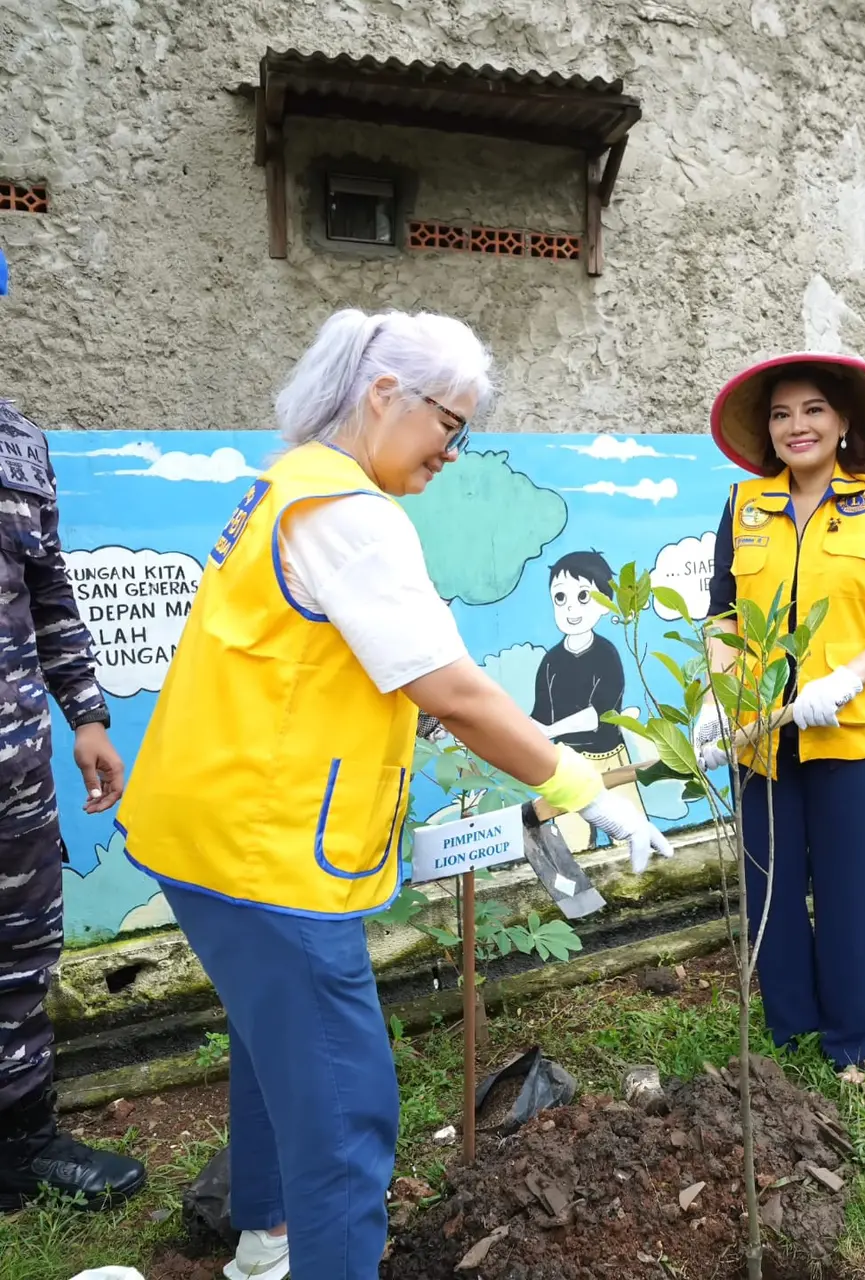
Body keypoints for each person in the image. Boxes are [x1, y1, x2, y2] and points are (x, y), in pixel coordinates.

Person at [114, 309, 673, 1280]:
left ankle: (266, 1242)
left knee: (269, 1042)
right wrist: (582, 780)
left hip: (199, 828)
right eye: (450, 424)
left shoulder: (286, 482)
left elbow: (305, 659)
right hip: (268, 851)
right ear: (384, 397)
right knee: (343, 1102)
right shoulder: (352, 514)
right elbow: (452, 688)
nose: (454, 451)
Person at [694, 353, 865, 1076]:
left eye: (814, 409)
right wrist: (717, 698)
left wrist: (849, 679)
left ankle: (852, 1041)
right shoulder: (744, 507)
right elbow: (724, 614)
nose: (798, 425)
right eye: (781, 413)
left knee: (851, 887)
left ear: (844, 422)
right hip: (759, 736)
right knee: (770, 885)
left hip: (847, 730)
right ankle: (790, 1028)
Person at [0, 250, 145, 1211]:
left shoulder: (19, 442)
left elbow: (50, 590)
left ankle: (20, 1148)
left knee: (19, 957)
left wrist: (87, 713)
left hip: (14, 778)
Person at [530, 549, 649, 852]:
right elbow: (540, 716)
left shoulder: (606, 654)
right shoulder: (550, 662)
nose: (571, 607)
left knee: (631, 835)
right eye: (560, 598)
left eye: (583, 596)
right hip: (568, 763)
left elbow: (598, 715)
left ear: (605, 603)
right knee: (574, 843)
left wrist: (549, 731)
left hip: (610, 758)